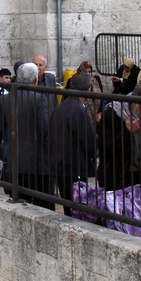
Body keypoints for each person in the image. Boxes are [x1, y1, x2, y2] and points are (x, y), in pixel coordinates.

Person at [0, 62, 56, 209]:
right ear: (36, 80)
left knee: (20, 206)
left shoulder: (5, 99)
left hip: (15, 162)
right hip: (38, 164)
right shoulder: (40, 98)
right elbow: (45, 130)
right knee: (44, 208)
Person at [50, 73, 99, 203]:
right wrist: (95, 151)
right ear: (88, 89)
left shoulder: (61, 107)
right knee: (77, 204)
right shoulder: (77, 109)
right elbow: (88, 139)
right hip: (73, 165)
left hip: (61, 163)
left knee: (68, 202)